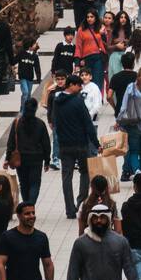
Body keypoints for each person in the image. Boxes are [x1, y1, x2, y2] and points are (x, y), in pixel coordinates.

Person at [55, 75, 100, 220]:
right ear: (72, 85)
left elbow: (54, 122)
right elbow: (88, 124)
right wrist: (96, 143)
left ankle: (69, 210)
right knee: (85, 172)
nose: (81, 88)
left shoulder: (57, 101)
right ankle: (81, 201)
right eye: (79, 85)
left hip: (64, 145)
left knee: (66, 176)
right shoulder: (78, 102)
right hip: (80, 144)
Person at [4, 98, 51, 206]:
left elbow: (11, 142)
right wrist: (47, 161)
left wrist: (7, 158)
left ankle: (26, 205)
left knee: (24, 183)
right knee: (35, 183)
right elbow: (46, 144)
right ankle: (30, 205)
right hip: (36, 158)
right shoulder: (40, 124)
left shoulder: (17, 123)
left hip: (21, 158)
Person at [16, 38, 42, 113]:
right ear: (30, 46)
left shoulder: (34, 56)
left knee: (29, 95)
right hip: (22, 77)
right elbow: (14, 61)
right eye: (34, 44)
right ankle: (23, 110)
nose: (35, 45)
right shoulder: (21, 53)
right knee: (25, 92)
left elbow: (37, 68)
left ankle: (27, 109)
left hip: (30, 78)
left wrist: (38, 78)